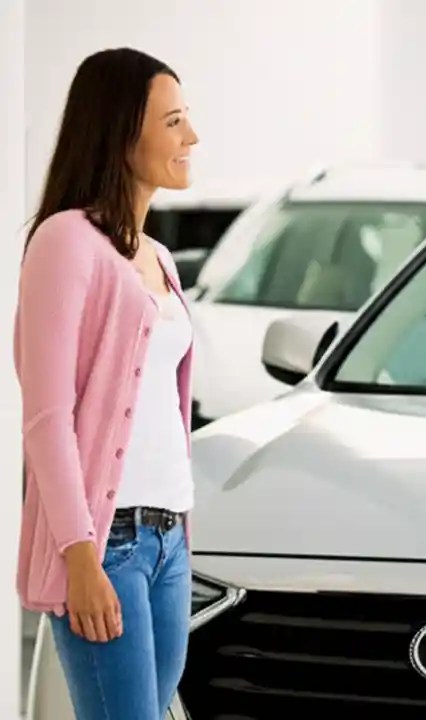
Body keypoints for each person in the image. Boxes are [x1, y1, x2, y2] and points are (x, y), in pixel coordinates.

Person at [15, 48, 200, 719]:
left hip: (168, 542)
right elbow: (47, 416)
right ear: (123, 134)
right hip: (105, 543)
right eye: (174, 122)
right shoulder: (64, 243)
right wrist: (79, 557)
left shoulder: (157, 255)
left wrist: (179, 533)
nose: (192, 138)